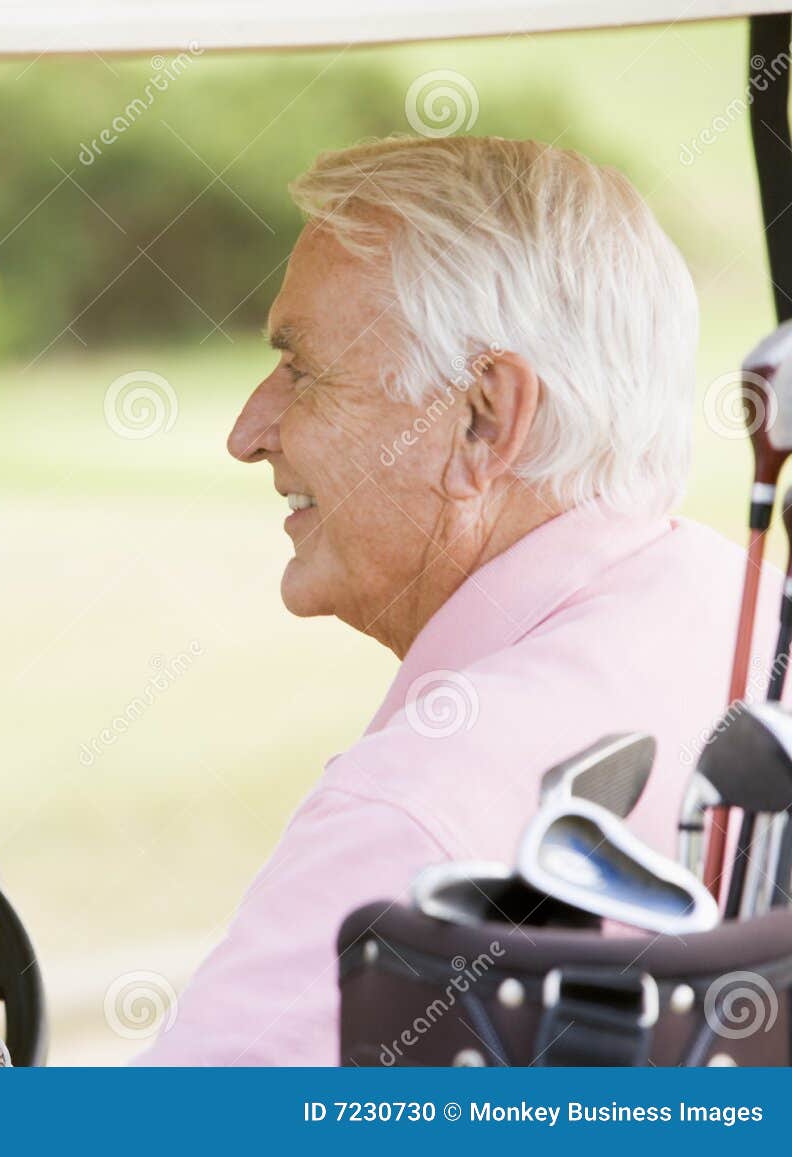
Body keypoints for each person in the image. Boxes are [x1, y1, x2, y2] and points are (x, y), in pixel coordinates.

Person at [139, 135, 780, 1065]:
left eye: (302, 370)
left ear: (485, 417)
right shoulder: (753, 614)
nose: (249, 431)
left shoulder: (414, 814)